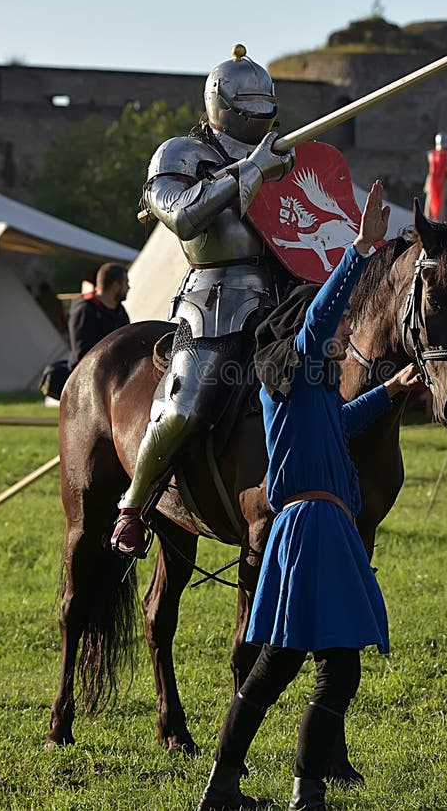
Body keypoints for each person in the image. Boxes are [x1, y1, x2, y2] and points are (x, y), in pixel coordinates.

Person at [197, 181, 420, 811]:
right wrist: (360, 249)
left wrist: (390, 390)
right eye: (335, 325)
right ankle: (283, 791)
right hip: (310, 530)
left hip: (322, 529)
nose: (344, 328)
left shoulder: (313, 396)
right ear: (305, 334)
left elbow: (341, 426)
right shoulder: (290, 379)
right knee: (307, 668)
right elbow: (321, 317)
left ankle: (255, 789)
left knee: (303, 668)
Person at [110, 44, 296, 558]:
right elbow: (184, 216)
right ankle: (132, 506)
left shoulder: (284, 152)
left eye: (265, 109)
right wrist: (250, 171)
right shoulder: (181, 155)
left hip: (286, 298)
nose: (259, 119)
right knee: (186, 407)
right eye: (249, 109)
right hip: (215, 302)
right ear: (223, 106)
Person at [67, 263, 130, 370]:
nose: (128, 287)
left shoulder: (119, 310)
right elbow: (82, 356)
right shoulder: (85, 311)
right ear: (115, 286)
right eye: (126, 283)